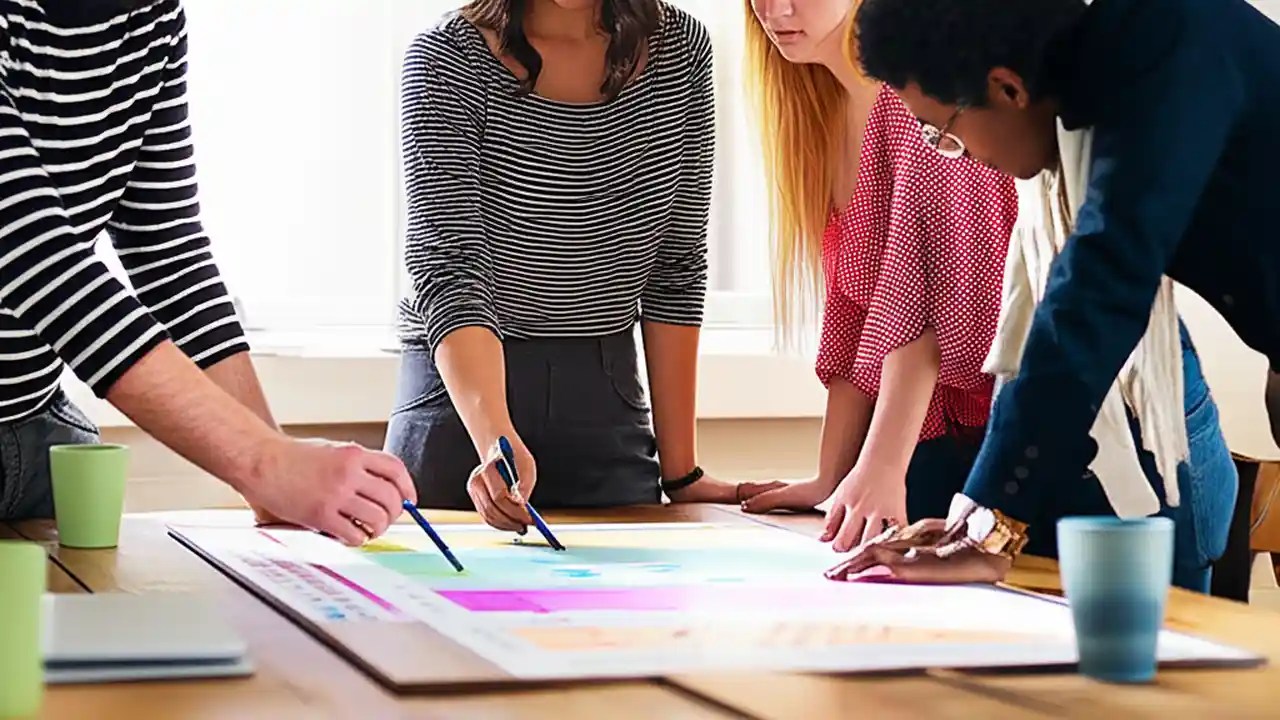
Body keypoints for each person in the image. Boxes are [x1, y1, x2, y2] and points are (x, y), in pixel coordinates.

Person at [833, 0, 1262, 588]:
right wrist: (983, 515)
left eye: (943, 133)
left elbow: (1096, 291)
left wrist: (992, 523)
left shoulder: (1162, 55)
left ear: (1007, 89)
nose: (952, 154)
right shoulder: (1110, 79)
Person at [0, 0, 415, 546]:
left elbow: (167, 248)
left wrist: (272, 475)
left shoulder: (152, 19)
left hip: (33, 437)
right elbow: (36, 258)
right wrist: (268, 463)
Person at [385, 0, 735, 532]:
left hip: (605, 400)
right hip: (458, 412)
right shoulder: (445, 57)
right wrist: (495, 440)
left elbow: (676, 267)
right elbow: (449, 267)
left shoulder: (681, 51)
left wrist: (680, 473)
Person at [733, 0, 1018, 552]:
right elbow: (855, 311)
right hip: (921, 442)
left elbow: (945, 307)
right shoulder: (826, 112)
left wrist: (881, 466)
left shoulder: (921, 101)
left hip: (997, 445)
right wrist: (830, 474)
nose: (776, 10)